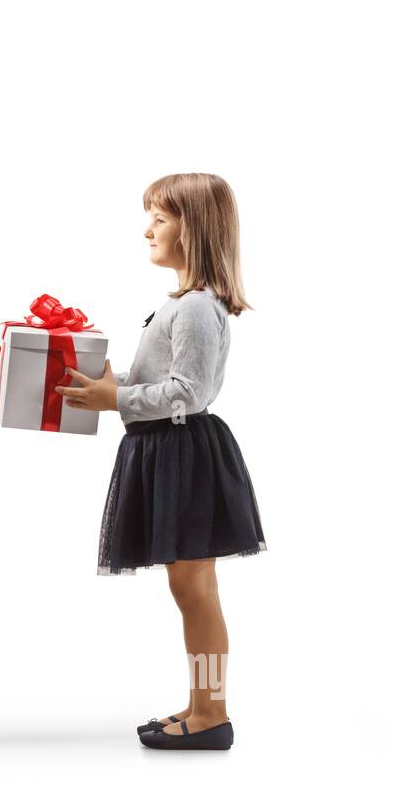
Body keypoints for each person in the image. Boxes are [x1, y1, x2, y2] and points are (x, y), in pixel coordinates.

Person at [53, 173, 266, 751]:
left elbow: (188, 393)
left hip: (183, 453)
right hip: (169, 450)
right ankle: (202, 706)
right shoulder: (182, 304)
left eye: (161, 218)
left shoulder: (196, 307)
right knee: (190, 589)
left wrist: (114, 398)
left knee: (195, 589)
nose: (148, 229)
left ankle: (212, 714)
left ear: (193, 229)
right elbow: (163, 384)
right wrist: (109, 386)